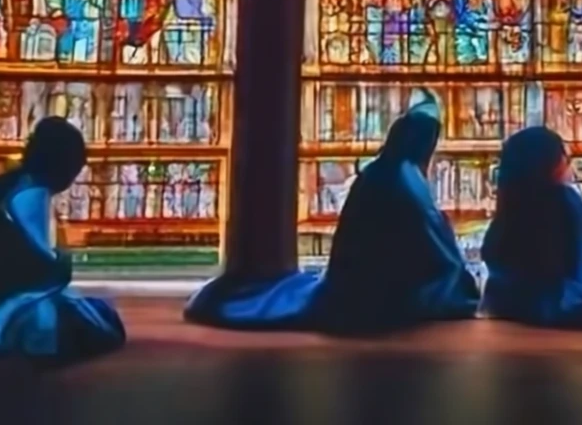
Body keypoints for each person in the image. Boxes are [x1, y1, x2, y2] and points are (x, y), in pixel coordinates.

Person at [185, 97, 480, 334]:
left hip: (354, 281)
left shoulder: (382, 172)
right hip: (374, 294)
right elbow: (434, 244)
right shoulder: (406, 179)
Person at [0, 117, 125, 362]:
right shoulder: (28, 192)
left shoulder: (9, 185)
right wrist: (62, 263)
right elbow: (39, 263)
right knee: (87, 322)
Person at [481, 127, 582, 327]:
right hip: (560, 313)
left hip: (503, 312)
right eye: (568, 160)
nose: (572, 171)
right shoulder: (565, 201)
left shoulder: (510, 205)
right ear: (553, 163)